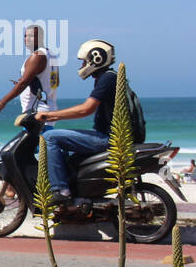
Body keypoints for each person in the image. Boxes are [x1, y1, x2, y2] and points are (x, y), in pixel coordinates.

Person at [36, 39, 127, 204]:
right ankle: (76, 189)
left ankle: (61, 190)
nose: (82, 65)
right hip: (110, 136)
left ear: (96, 59)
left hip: (110, 138)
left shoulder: (107, 79)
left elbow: (86, 109)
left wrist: (50, 116)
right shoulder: (107, 78)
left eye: (84, 61)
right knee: (67, 153)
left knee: (51, 137)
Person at [0, 25, 58, 122]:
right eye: (25, 36)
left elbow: (24, 82)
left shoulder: (37, 56)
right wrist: (29, 84)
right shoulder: (50, 54)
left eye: (31, 36)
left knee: (34, 137)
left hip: (36, 113)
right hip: (48, 109)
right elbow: (55, 81)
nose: (27, 39)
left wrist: (3, 102)